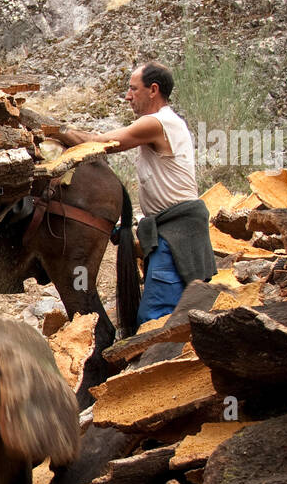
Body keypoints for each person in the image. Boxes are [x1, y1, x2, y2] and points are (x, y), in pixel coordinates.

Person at [51, 61, 216, 325]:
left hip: (176, 233)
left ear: (153, 90)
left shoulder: (159, 123)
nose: (128, 96)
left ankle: (163, 365)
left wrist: (56, 131)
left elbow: (104, 143)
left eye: (133, 89)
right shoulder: (163, 124)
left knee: (156, 319)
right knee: (171, 315)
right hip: (169, 230)